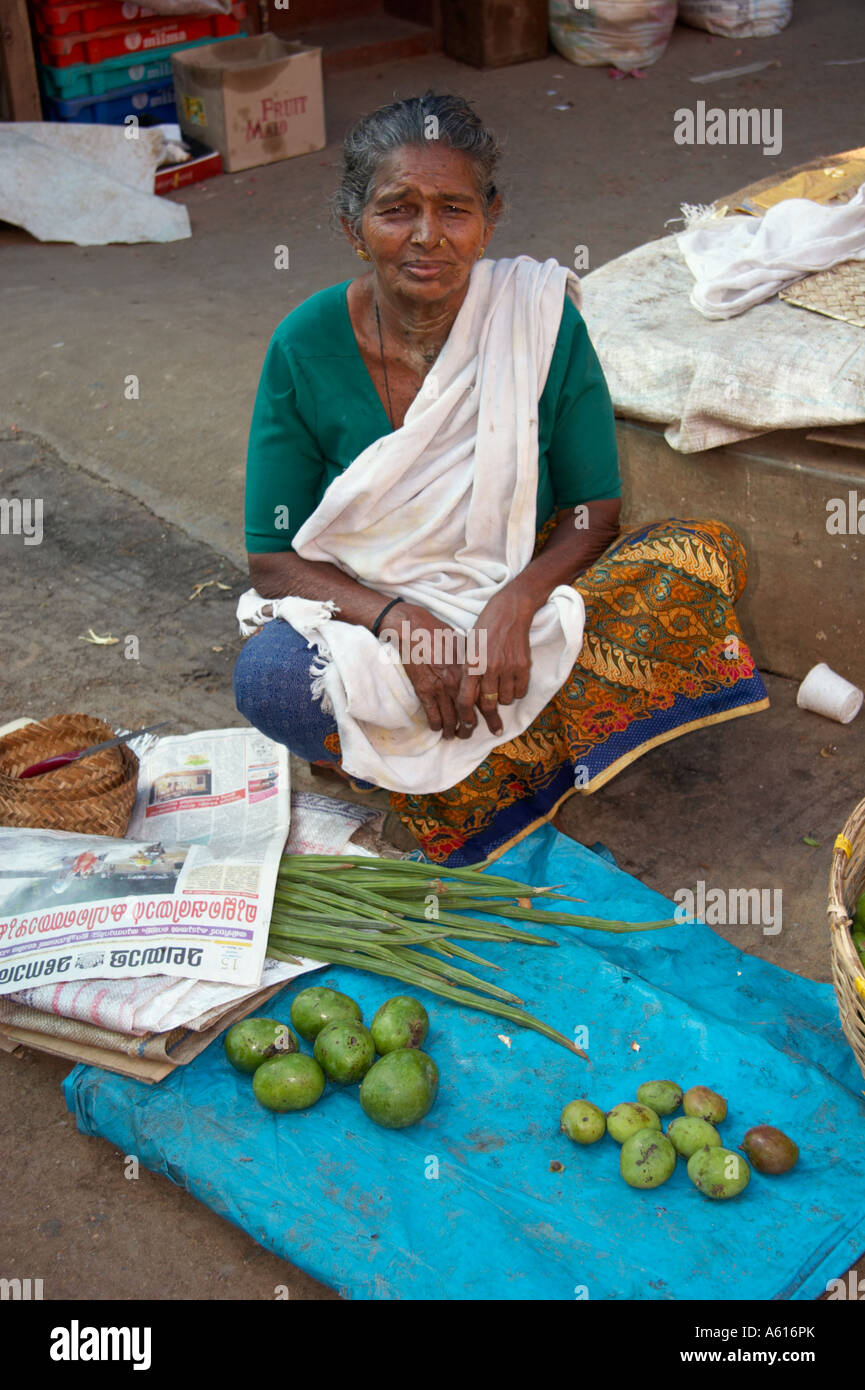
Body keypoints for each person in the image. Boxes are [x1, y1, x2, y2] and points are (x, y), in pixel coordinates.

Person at [234, 92, 768, 866]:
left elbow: (593, 509)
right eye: (396, 210)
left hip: (526, 594)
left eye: (453, 209)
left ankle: (450, 763)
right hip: (378, 613)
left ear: (489, 219)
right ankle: (510, 742)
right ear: (353, 229)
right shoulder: (304, 345)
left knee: (699, 556)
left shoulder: (537, 319)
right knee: (272, 682)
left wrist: (515, 602)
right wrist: (401, 621)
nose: (427, 236)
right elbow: (273, 560)